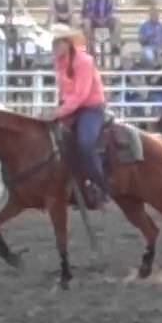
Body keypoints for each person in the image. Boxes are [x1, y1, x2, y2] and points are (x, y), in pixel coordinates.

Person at [50, 24, 110, 202]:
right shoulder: (60, 61)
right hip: (72, 106)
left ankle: (101, 184)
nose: (54, 48)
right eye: (53, 44)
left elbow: (81, 94)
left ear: (67, 43)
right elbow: (64, 90)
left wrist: (59, 111)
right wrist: (60, 106)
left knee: (85, 143)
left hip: (91, 107)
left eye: (56, 43)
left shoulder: (83, 61)